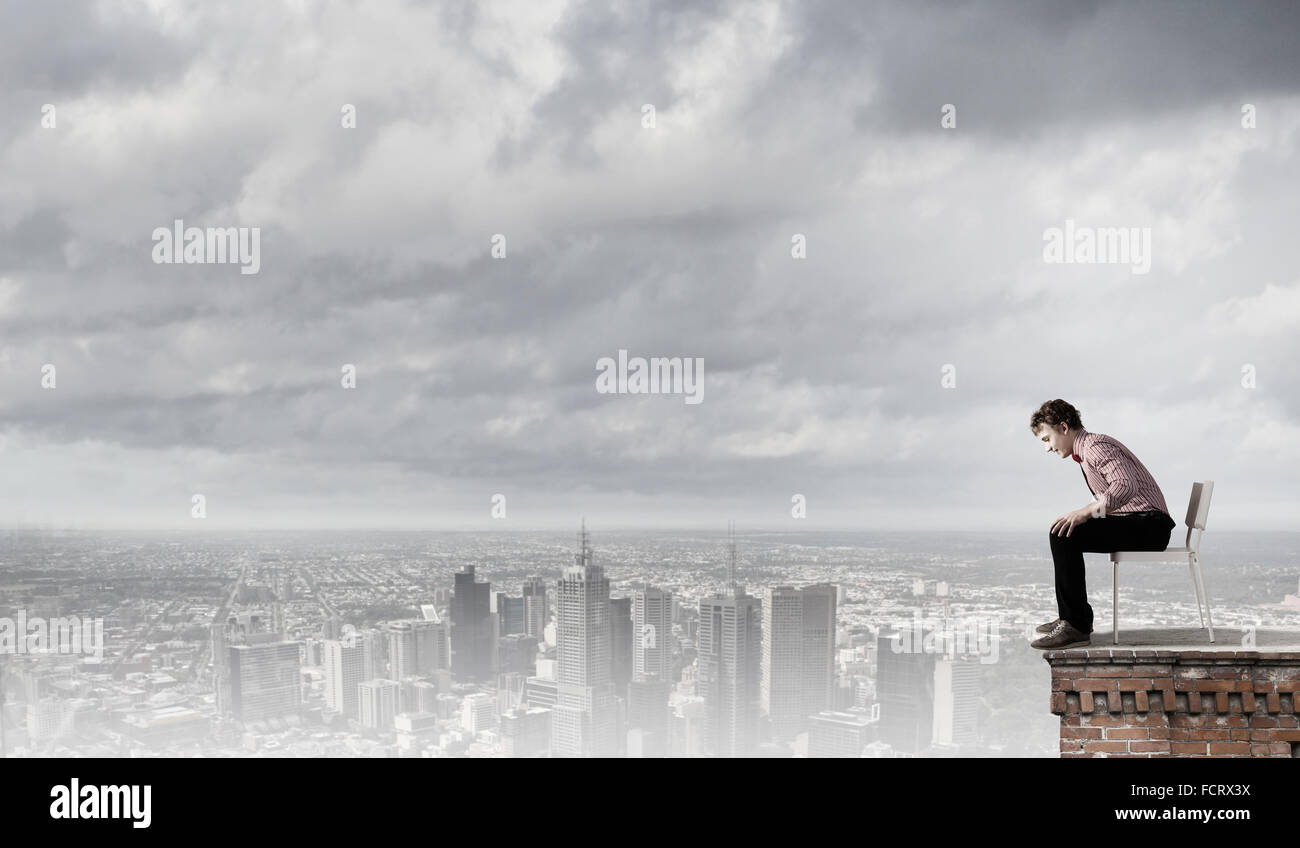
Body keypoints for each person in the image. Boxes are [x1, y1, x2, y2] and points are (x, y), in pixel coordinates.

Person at [1028, 399, 1176, 649]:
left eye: (1046, 439)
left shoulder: (1095, 447)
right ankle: (1072, 618)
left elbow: (1126, 486)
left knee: (1064, 534)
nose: (1047, 448)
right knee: (1065, 531)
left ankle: (1075, 624)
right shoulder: (1088, 449)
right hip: (1142, 521)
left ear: (1064, 428)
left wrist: (1085, 512)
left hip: (1150, 525)